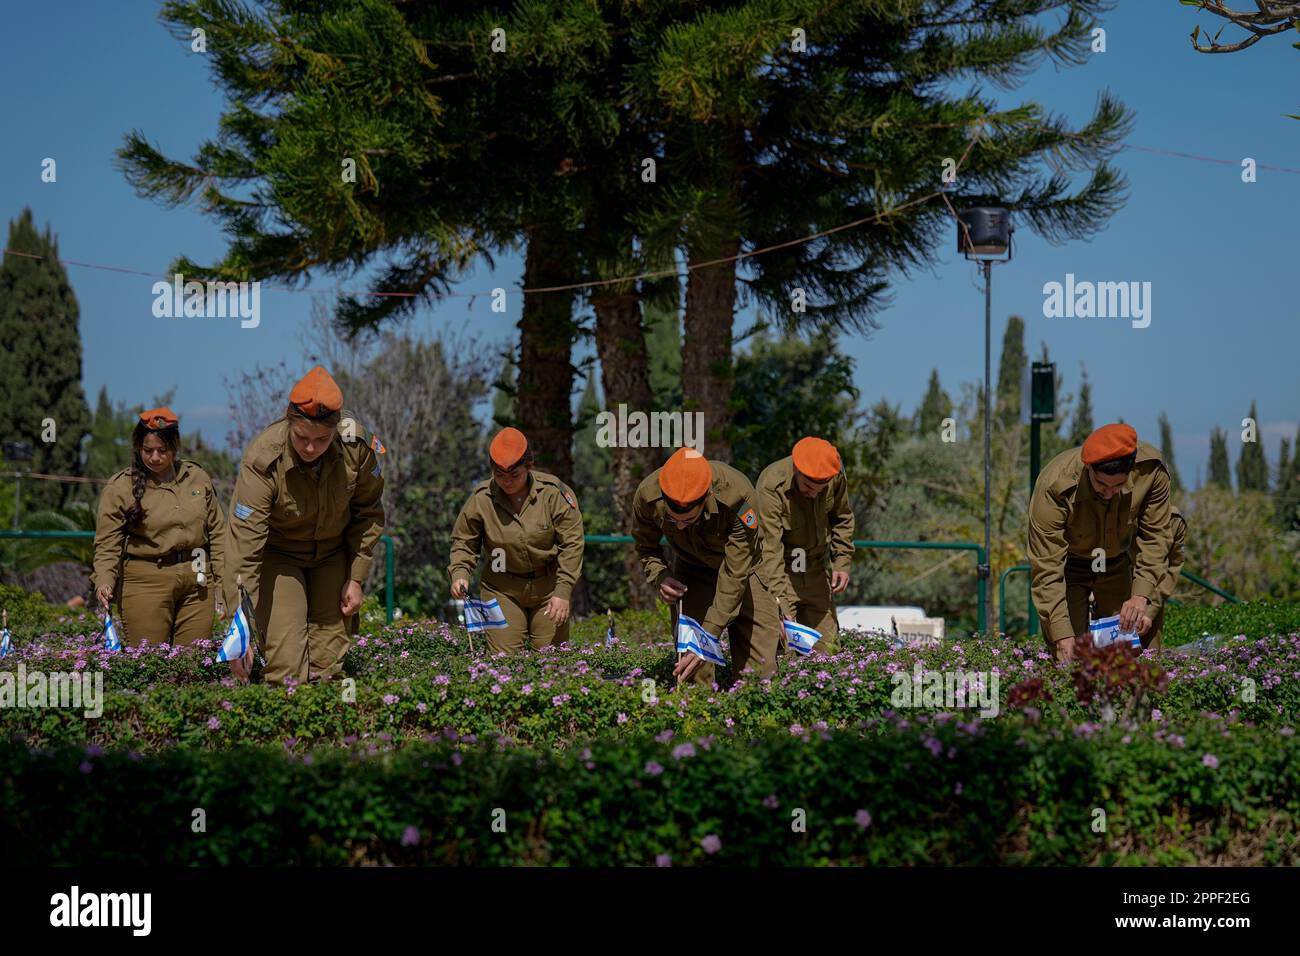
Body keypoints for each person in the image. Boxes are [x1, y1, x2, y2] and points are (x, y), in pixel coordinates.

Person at [224, 366, 385, 685]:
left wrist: (356, 577)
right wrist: (240, 628)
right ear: (288, 423)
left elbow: (368, 513)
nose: (310, 448)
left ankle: (330, 734)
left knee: (328, 663)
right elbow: (244, 548)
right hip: (280, 557)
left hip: (333, 555)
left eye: (322, 439)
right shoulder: (263, 459)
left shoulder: (357, 448)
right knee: (286, 666)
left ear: (337, 429)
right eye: (301, 438)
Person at [632, 446, 782, 687]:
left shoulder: (739, 498)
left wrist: (708, 634)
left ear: (707, 497)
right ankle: (699, 721)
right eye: (673, 519)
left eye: (689, 520)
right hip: (691, 571)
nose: (680, 527)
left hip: (746, 571)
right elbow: (646, 548)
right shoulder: (647, 496)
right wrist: (661, 577)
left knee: (760, 672)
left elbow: (734, 575)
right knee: (692, 671)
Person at [1028, 423, 1173, 662]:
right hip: (1070, 567)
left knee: (1138, 654)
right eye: (1101, 484)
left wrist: (1141, 596)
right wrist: (1062, 636)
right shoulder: (1054, 484)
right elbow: (1046, 567)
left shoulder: (1151, 472)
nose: (1108, 493)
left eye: (1118, 485)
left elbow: (1156, 537)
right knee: (1069, 658)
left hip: (1119, 562)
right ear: (1088, 468)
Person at [92, 407, 226, 645]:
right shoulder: (120, 488)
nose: (155, 457)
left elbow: (218, 534)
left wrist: (225, 583)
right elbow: (107, 544)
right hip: (146, 584)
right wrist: (104, 580)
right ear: (138, 448)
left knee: (193, 664)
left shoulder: (197, 478)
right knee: (150, 663)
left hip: (198, 581)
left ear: (175, 448)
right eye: (148, 450)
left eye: (162, 450)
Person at [448, 428, 584, 653]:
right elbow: (464, 540)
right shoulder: (482, 498)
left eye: (514, 475)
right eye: (499, 475)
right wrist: (459, 573)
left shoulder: (553, 494)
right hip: (501, 589)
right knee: (504, 664)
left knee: (552, 661)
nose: (506, 482)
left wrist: (563, 591)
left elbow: (572, 545)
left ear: (529, 466)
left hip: (548, 588)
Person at [755, 436, 855, 654]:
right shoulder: (772, 484)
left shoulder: (835, 475)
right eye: (809, 487)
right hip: (782, 570)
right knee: (783, 650)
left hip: (816, 569)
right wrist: (779, 604)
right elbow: (769, 550)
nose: (814, 493)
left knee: (828, 651)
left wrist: (842, 562)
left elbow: (843, 518)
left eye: (821, 488)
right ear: (797, 471)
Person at [1141, 507, 1186, 653]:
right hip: (1110, 598)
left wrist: (1150, 610)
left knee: (1149, 662)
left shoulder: (1174, 520)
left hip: (1151, 598)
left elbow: (1173, 567)